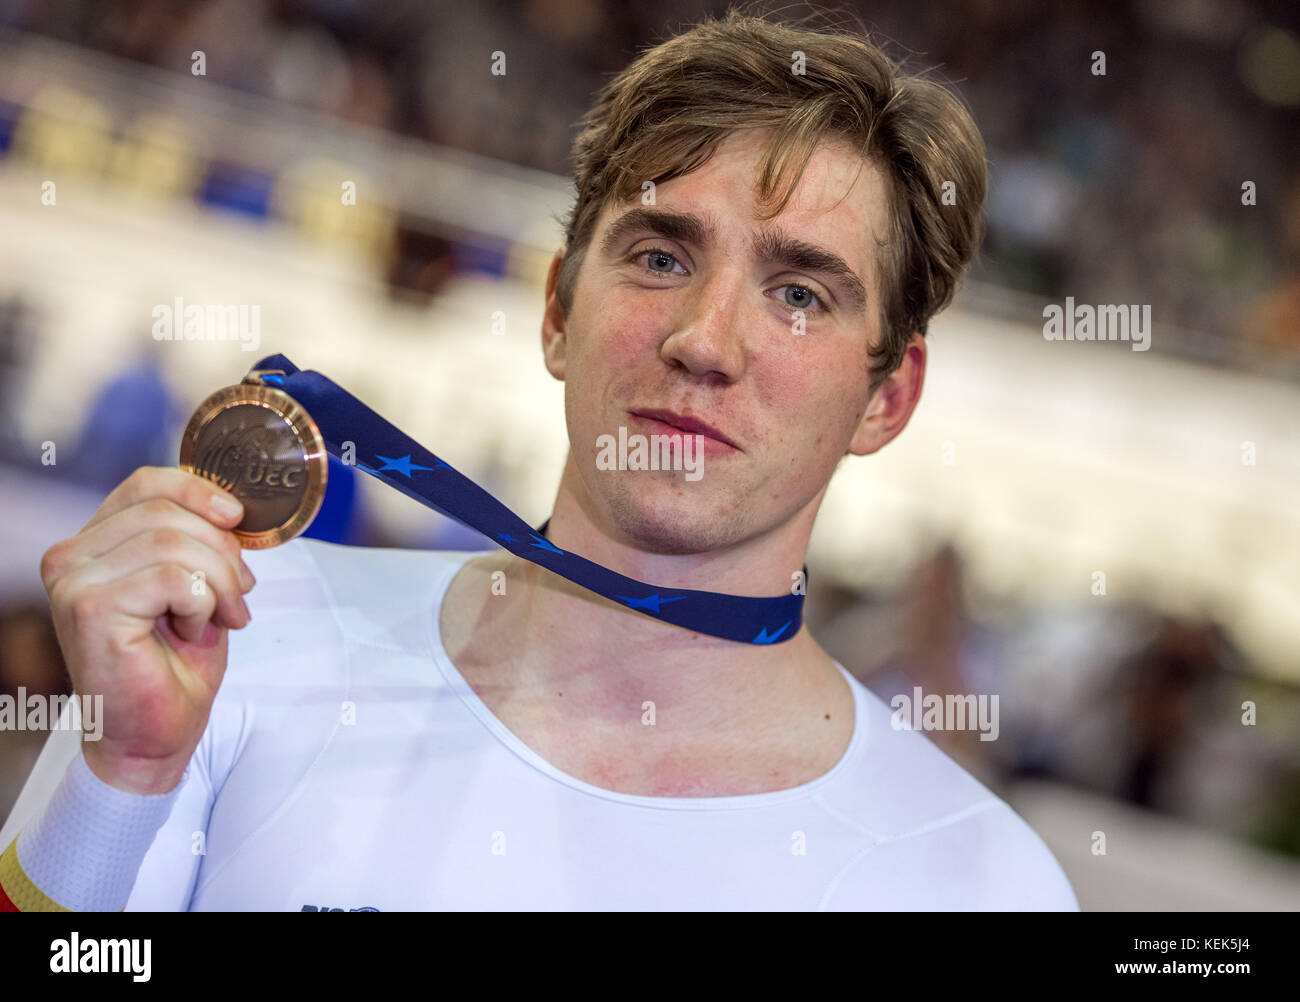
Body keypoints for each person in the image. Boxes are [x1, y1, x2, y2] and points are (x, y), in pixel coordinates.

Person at [0, 10, 1077, 910]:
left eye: (799, 294)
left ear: (887, 396)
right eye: (659, 256)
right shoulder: (240, 647)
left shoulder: (977, 884)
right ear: (558, 308)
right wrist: (120, 777)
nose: (704, 340)